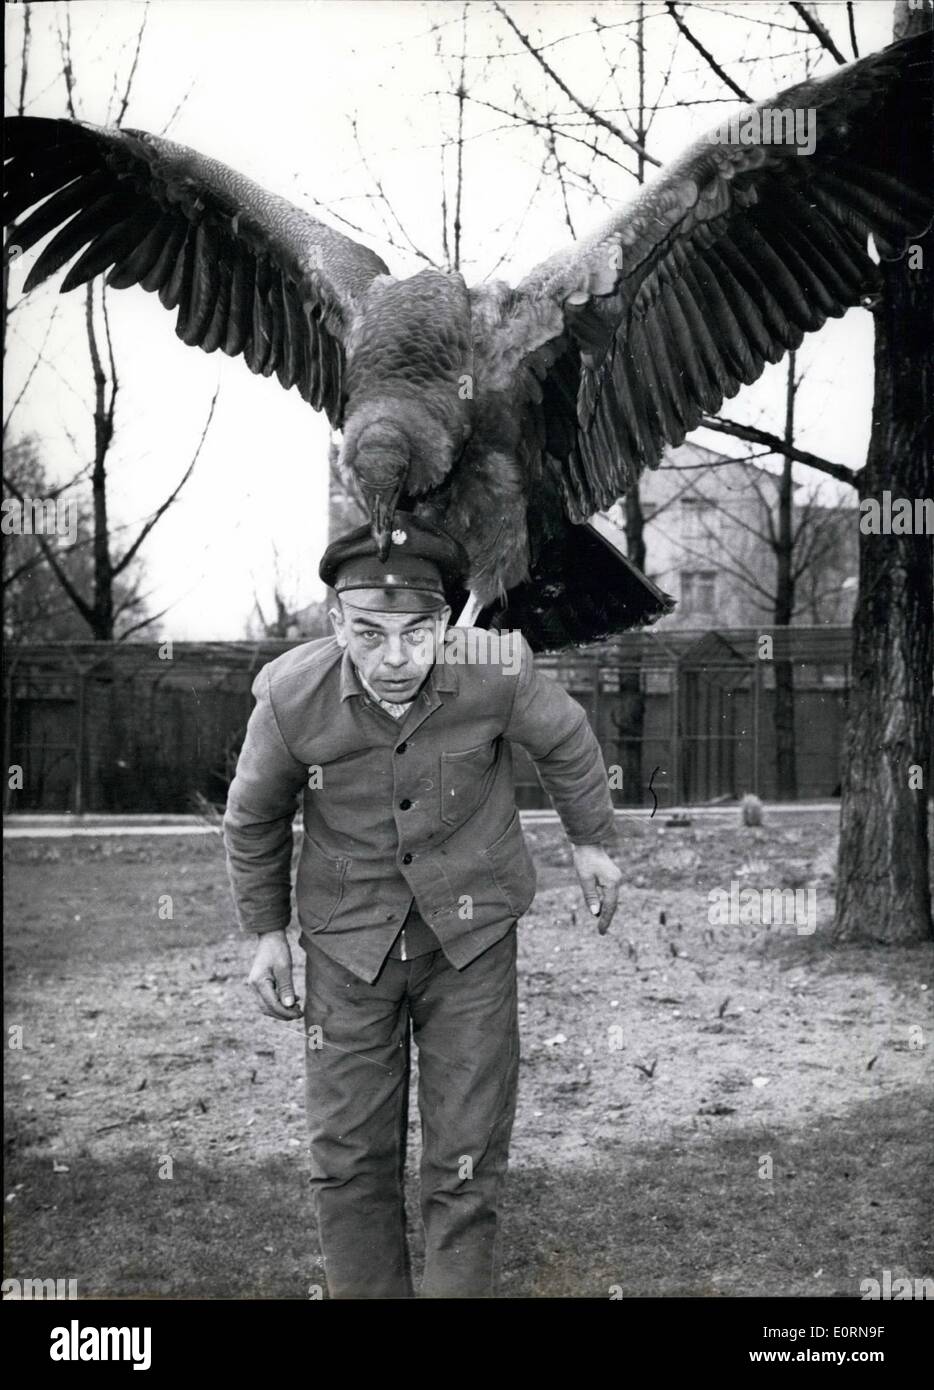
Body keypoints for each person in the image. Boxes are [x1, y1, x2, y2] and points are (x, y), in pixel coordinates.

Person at [223, 512, 622, 1298]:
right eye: (370, 634)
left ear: (448, 621)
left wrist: (591, 842)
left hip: (469, 946)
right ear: (336, 621)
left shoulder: (497, 668)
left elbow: (569, 740)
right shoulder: (290, 697)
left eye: (418, 632)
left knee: (466, 1157)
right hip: (349, 952)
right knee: (347, 1156)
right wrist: (267, 931)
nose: (396, 659)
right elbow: (253, 816)